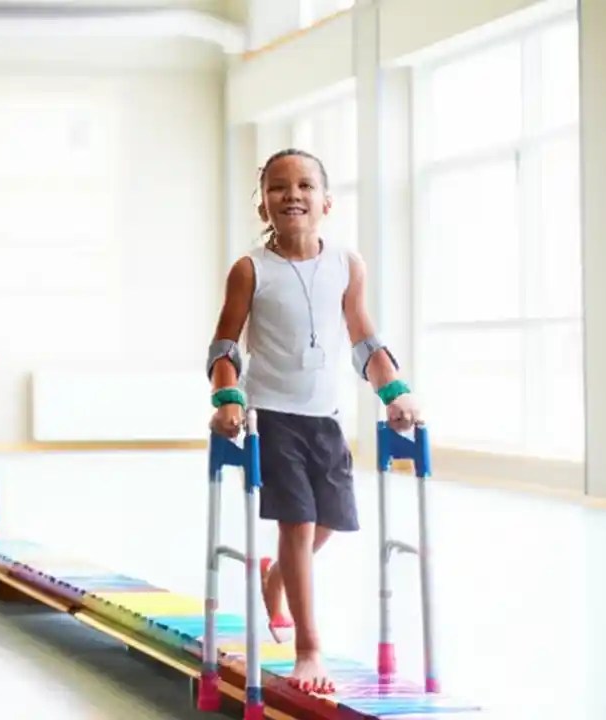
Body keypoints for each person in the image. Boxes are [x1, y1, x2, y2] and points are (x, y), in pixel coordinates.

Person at [206, 148, 420, 695]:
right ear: (264, 207)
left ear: (327, 200)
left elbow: (362, 336)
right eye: (278, 187)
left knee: (332, 520)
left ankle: (277, 575)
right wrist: (226, 396)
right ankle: (308, 648)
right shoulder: (250, 268)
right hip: (270, 415)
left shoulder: (348, 263)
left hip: (326, 416)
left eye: (304, 185)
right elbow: (225, 344)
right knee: (297, 525)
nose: (292, 194)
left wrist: (394, 392)